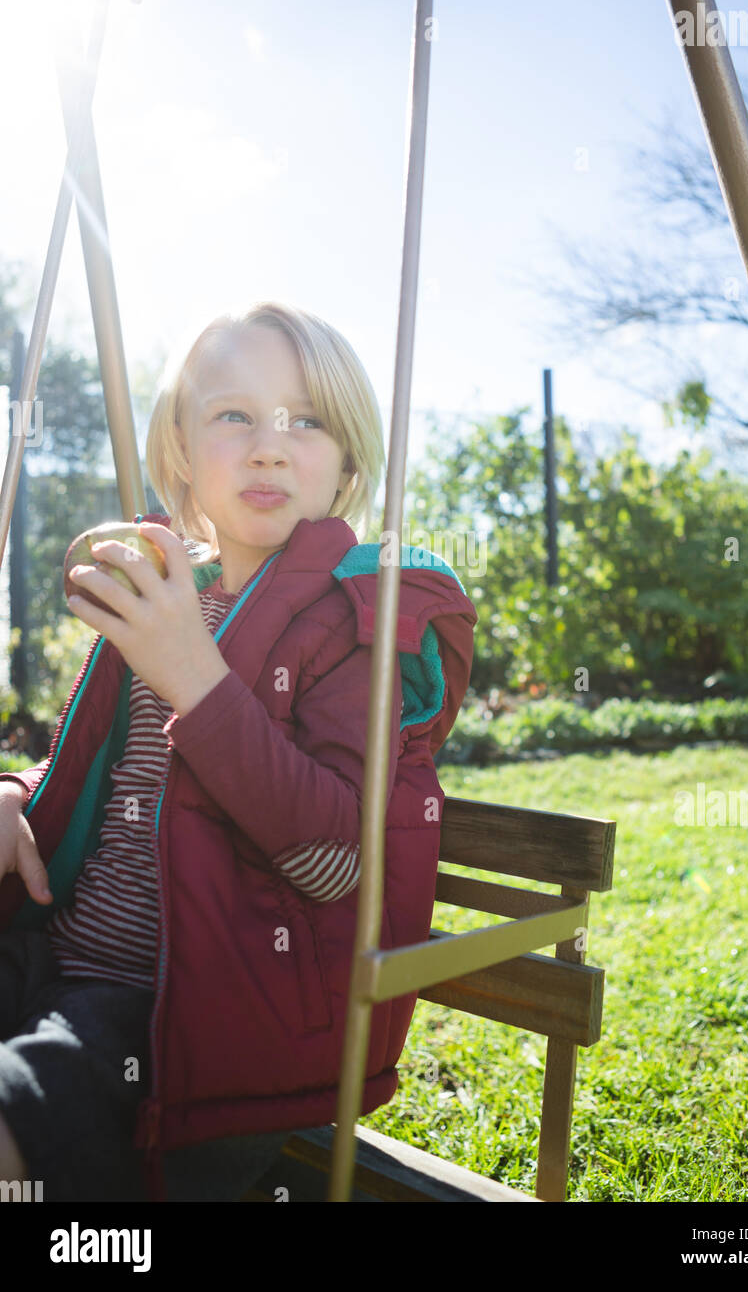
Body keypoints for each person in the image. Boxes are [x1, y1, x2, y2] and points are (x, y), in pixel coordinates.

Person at [0, 301, 477, 1202]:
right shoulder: (169, 591)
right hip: (55, 959)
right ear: (181, 450)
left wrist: (195, 677)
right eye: (236, 416)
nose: (270, 445)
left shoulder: (356, 624)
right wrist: (19, 795)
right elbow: (99, 770)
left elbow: (336, 859)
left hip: (186, 1026)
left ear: (345, 465)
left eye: (306, 420)